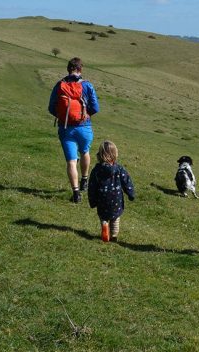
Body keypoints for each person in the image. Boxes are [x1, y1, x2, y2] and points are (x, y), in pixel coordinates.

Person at [48, 57, 100, 203]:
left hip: (66, 128)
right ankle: (85, 179)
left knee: (71, 161)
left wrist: (64, 116)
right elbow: (95, 107)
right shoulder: (87, 85)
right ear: (80, 69)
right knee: (85, 152)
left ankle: (76, 193)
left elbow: (51, 107)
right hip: (84, 126)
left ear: (68, 69)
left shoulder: (60, 85)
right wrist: (84, 115)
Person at [87, 141, 135, 243]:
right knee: (115, 218)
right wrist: (131, 194)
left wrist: (92, 201)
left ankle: (104, 225)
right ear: (115, 154)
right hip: (116, 199)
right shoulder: (119, 169)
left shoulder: (96, 170)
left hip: (102, 198)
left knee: (103, 217)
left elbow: (92, 186)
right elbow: (127, 181)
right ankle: (114, 234)